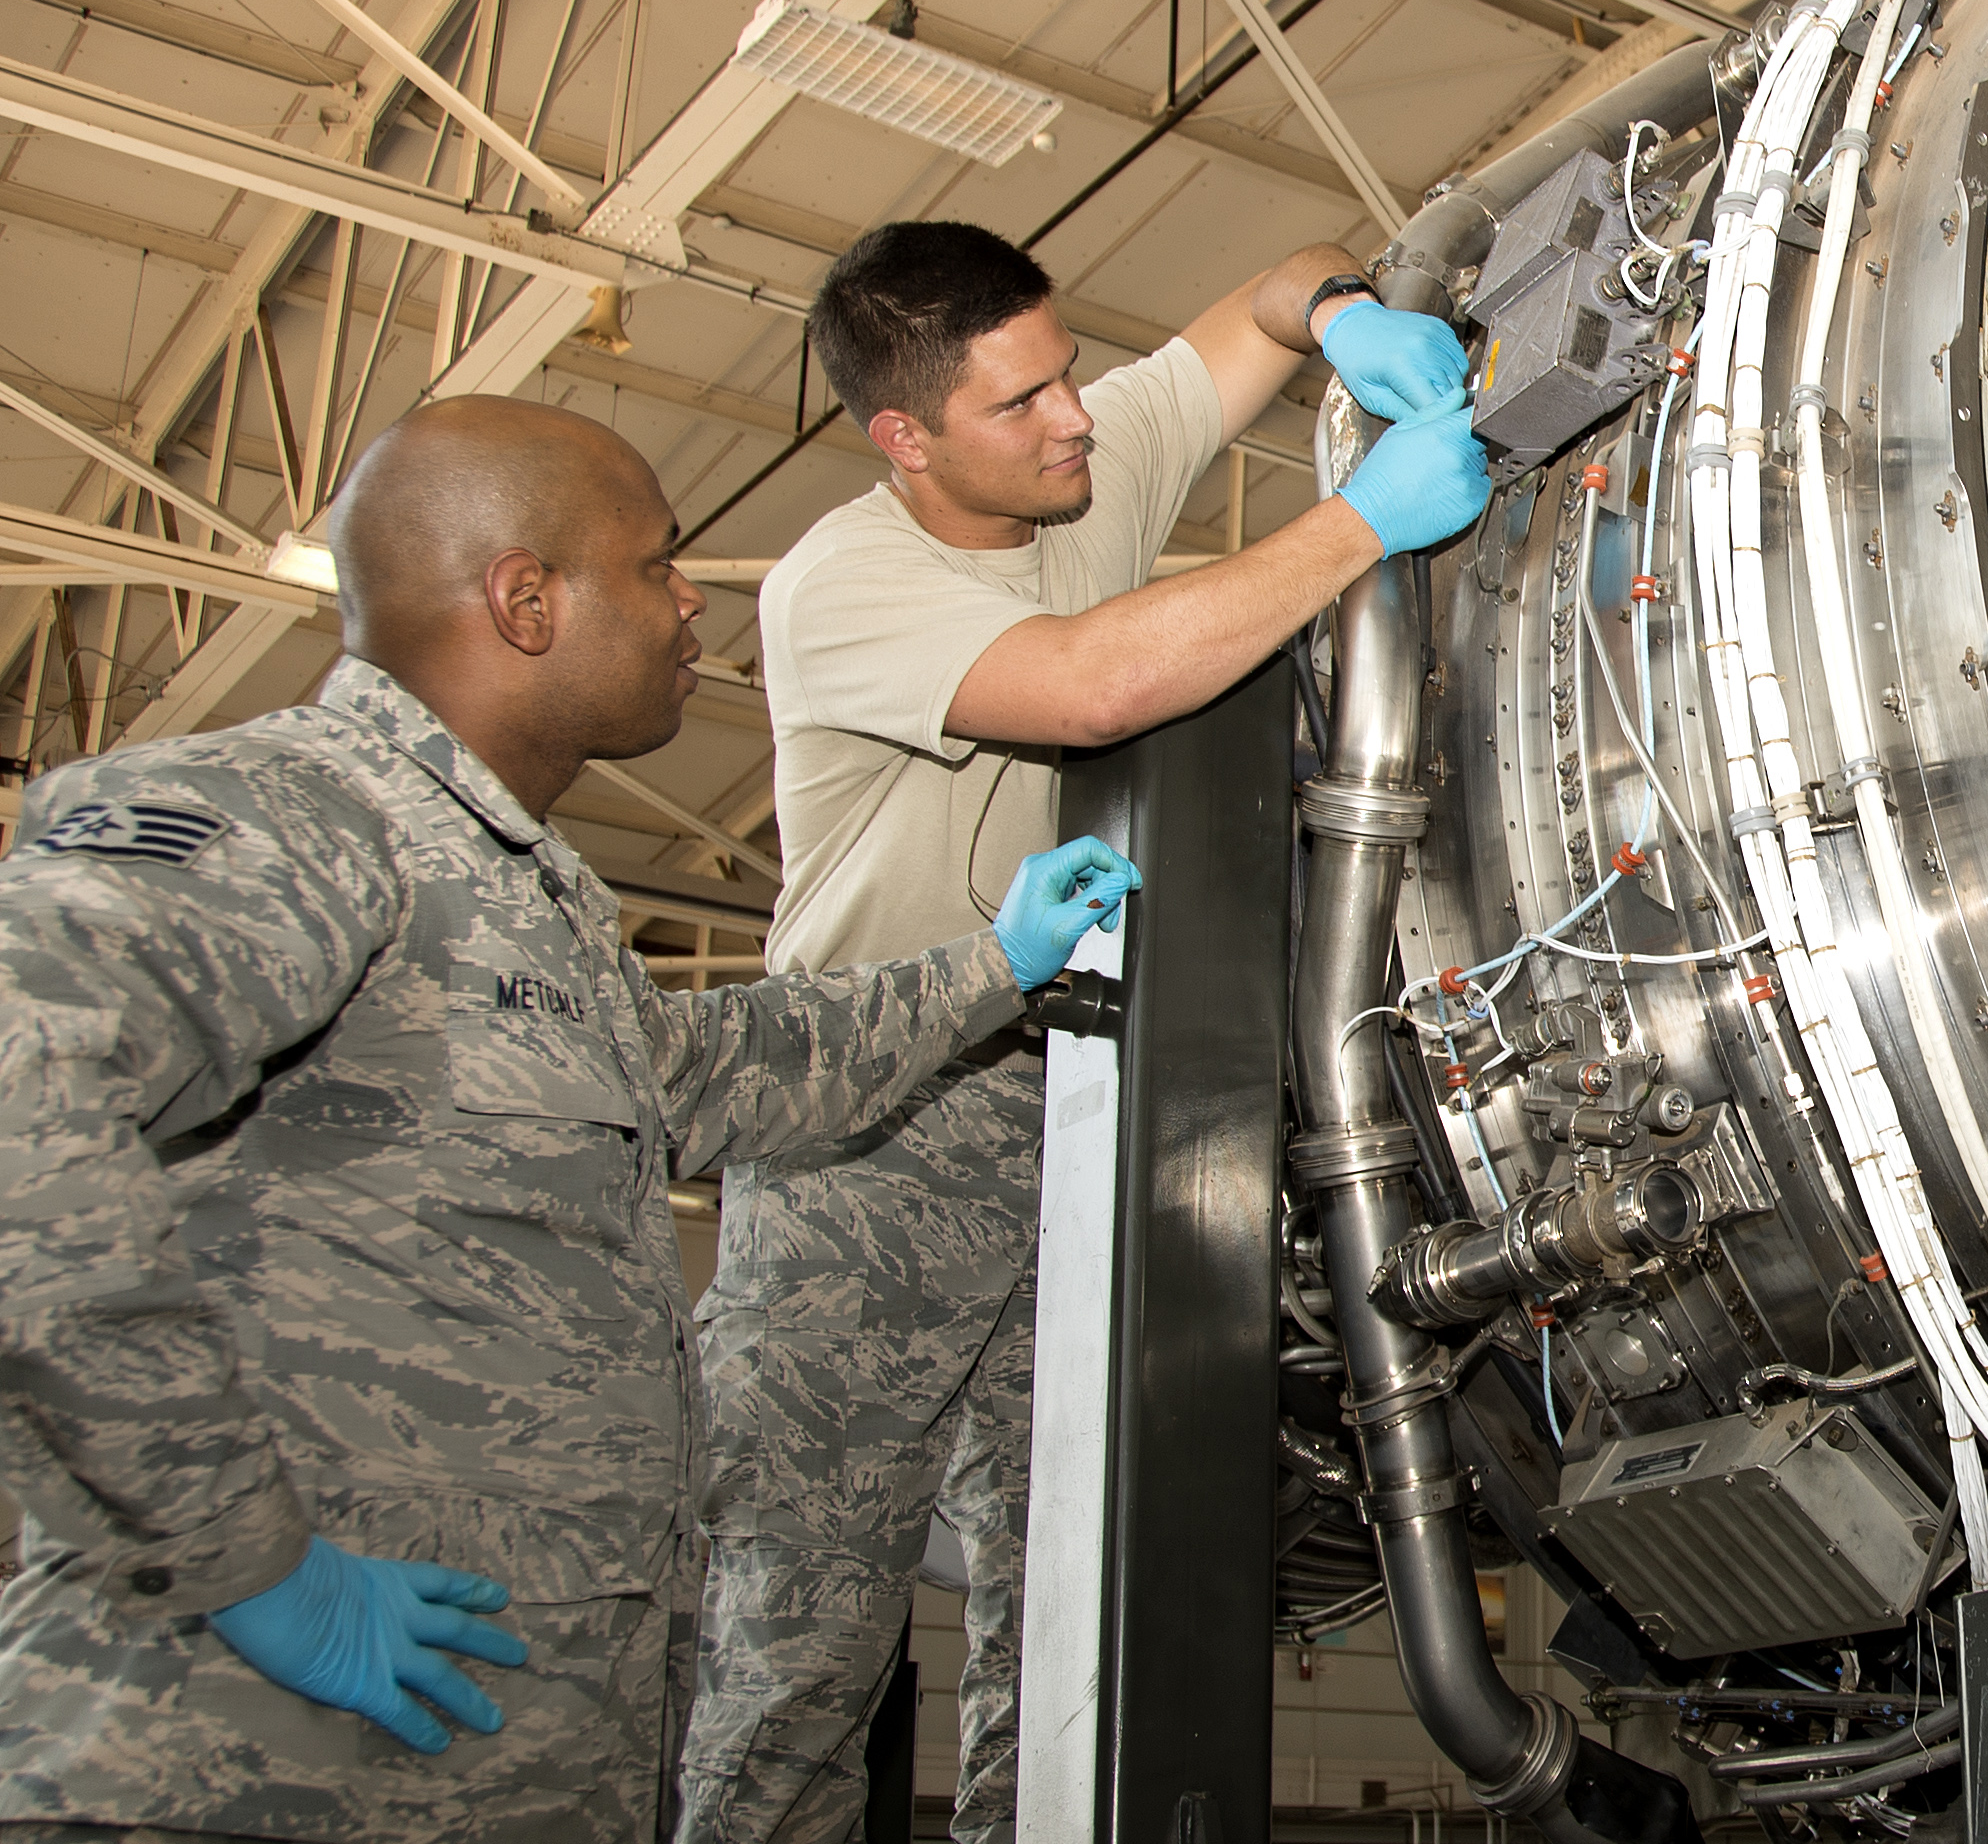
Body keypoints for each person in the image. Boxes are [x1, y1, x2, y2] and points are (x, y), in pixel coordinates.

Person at [0, 395, 1138, 1843]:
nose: (687, 609)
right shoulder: (305, 816)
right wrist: (237, 1556)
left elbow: (722, 1067)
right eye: (659, 565)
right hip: (246, 1776)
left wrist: (991, 966)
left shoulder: (524, 906)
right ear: (525, 600)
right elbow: (19, 1076)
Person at [682, 223, 1486, 1842]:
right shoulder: (841, 581)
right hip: (868, 1136)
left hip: (1072, 1120)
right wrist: (1352, 526)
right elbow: (1088, 684)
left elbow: (1264, 287)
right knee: (797, 1662)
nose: (1075, 421)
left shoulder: (1079, 464)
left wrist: (1332, 315)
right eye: (1021, 404)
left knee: (1064, 1656)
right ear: (905, 437)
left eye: (1067, 373)